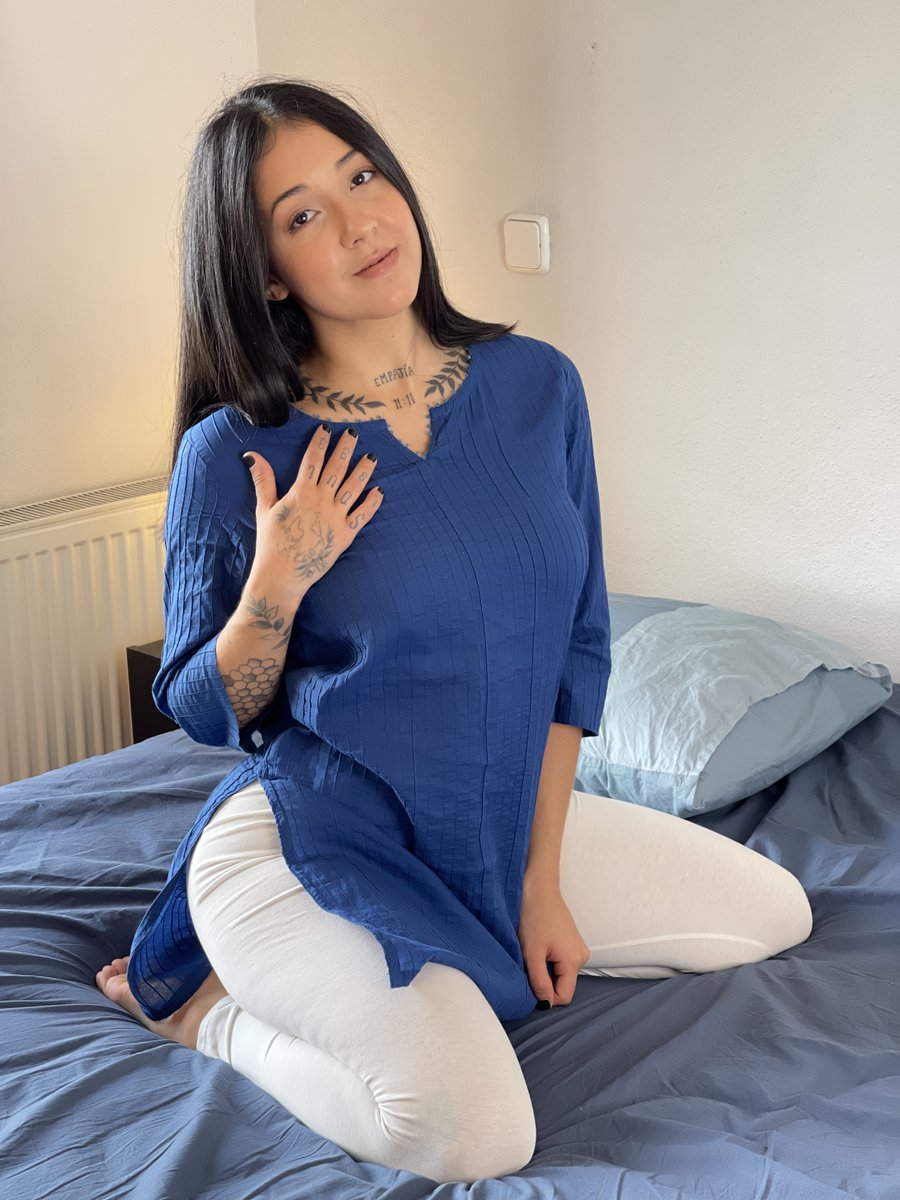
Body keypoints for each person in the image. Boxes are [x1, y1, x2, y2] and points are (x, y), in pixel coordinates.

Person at [95, 77, 814, 1184]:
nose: (360, 224)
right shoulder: (236, 452)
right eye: (304, 215)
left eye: (363, 177)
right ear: (268, 274)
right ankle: (209, 1015)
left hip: (495, 821)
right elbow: (204, 709)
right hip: (316, 839)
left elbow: (578, 648)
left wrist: (540, 881)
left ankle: (459, 949)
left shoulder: (538, 387)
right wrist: (277, 580)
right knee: (476, 1137)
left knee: (776, 912)